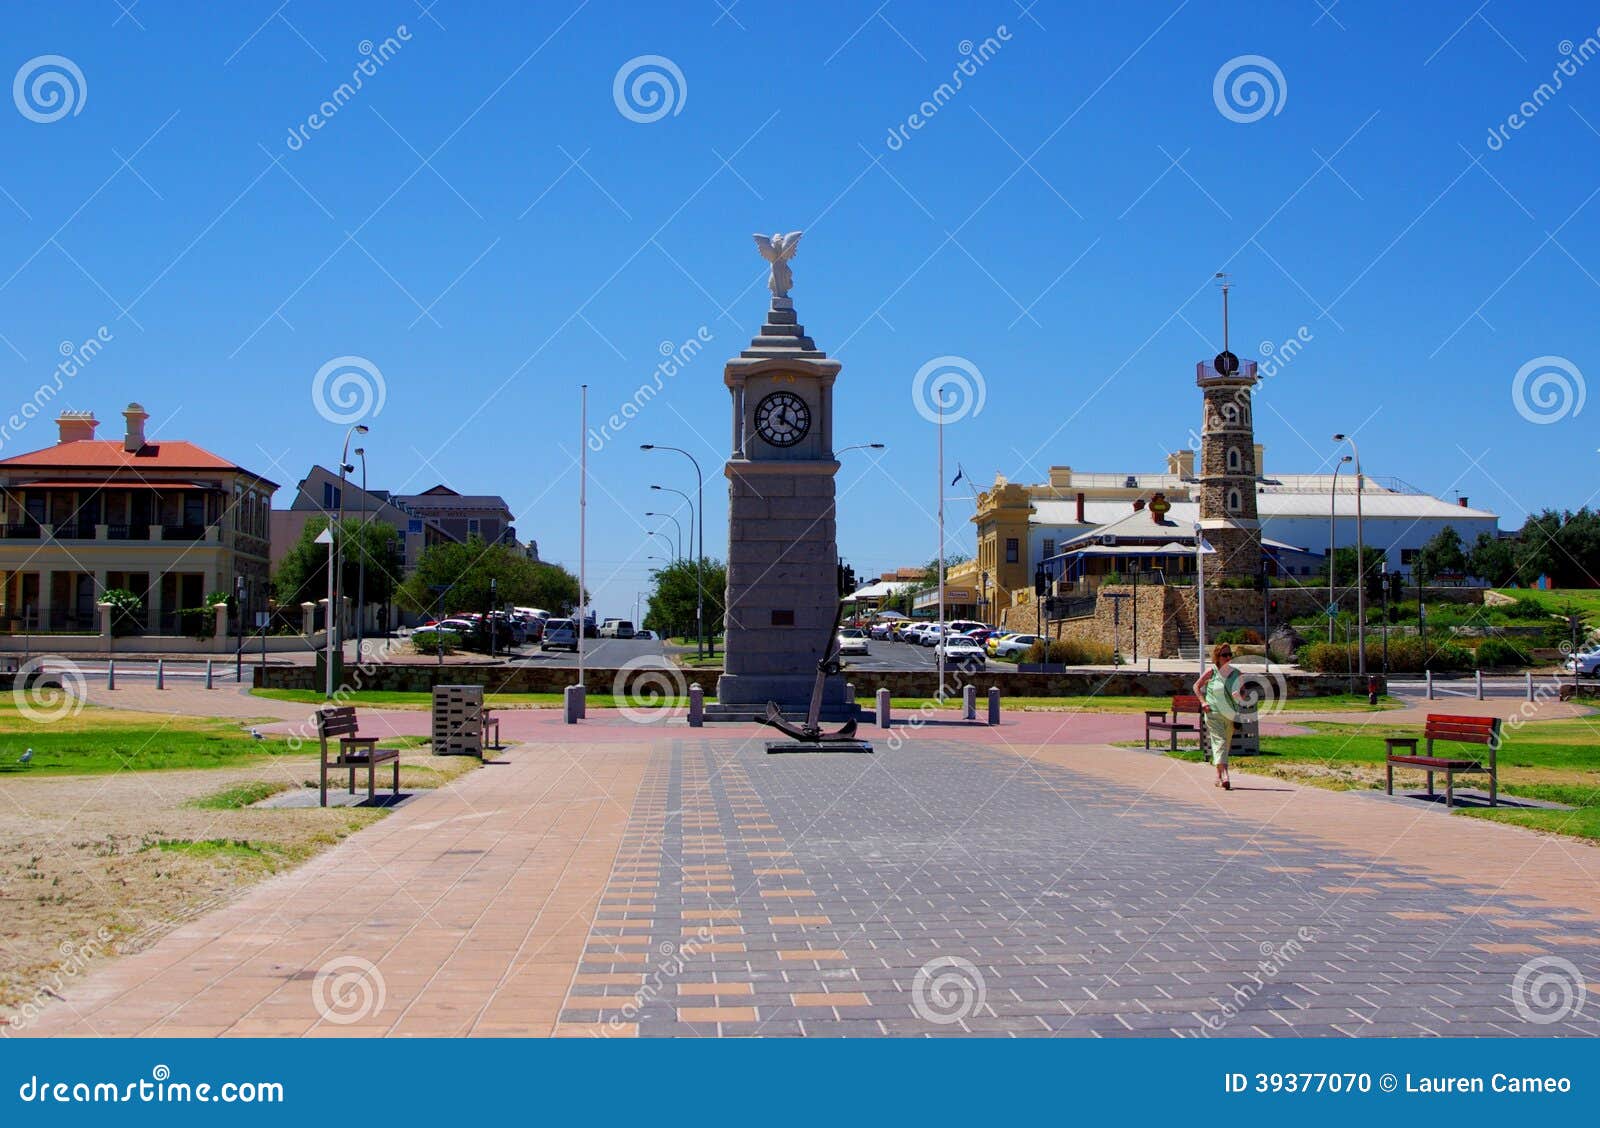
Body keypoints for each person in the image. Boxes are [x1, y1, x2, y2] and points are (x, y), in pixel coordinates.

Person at [1194, 642, 1243, 790]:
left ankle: (1218, 776)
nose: (1227, 657)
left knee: (1223, 745)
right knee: (1220, 742)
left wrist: (1239, 696)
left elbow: (1243, 694)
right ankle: (1226, 775)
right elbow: (1196, 686)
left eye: (1230, 655)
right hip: (1213, 713)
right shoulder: (1212, 671)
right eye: (1224, 655)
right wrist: (1203, 702)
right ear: (1217, 656)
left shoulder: (1236, 674)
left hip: (1230, 714)